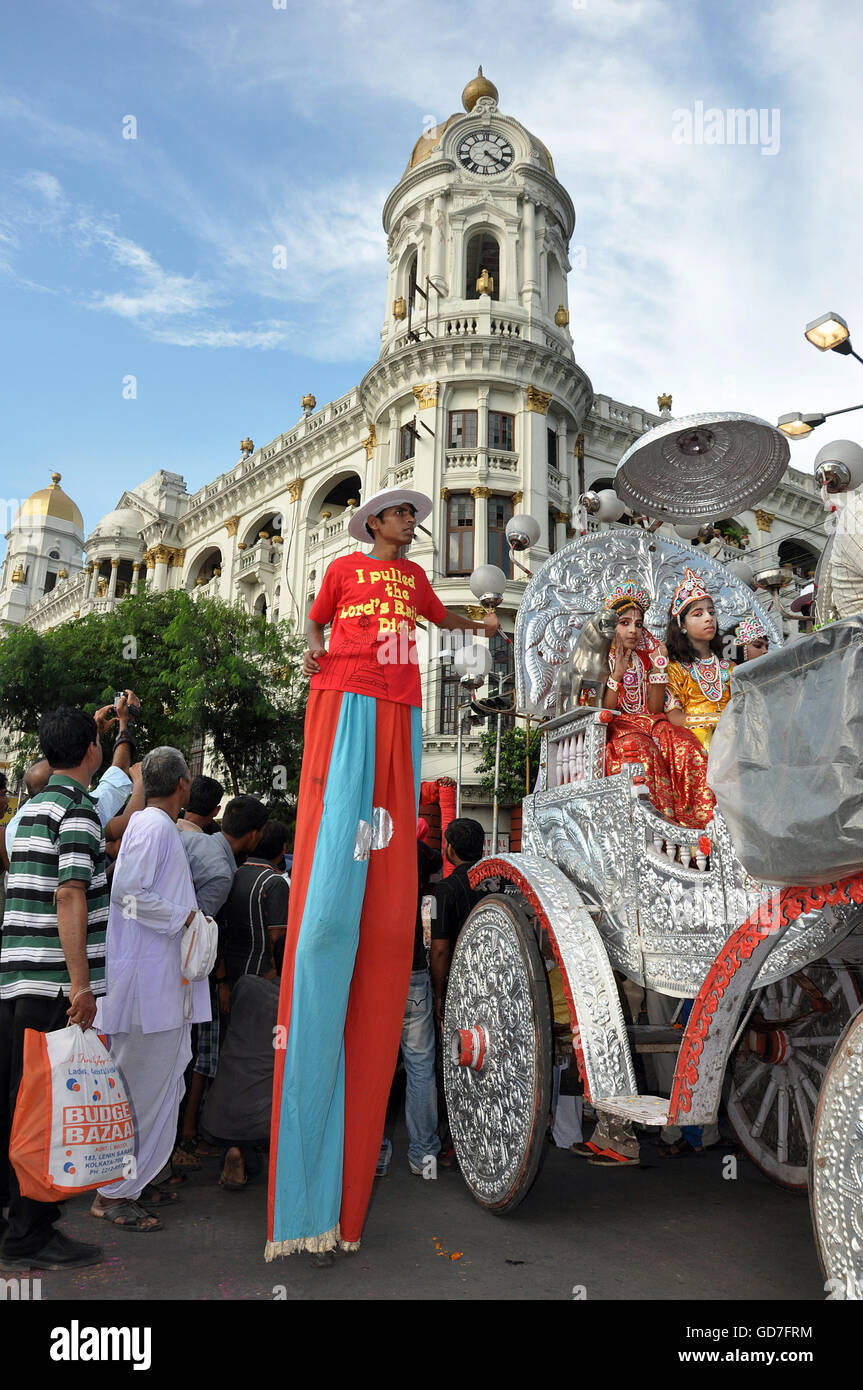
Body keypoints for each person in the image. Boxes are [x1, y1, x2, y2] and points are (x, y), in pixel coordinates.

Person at [267, 486, 500, 1261]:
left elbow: (443, 619)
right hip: (345, 692)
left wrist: (482, 621)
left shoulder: (415, 584)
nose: (411, 524)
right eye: (401, 516)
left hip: (398, 704)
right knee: (339, 833)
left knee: (387, 831)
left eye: (412, 518)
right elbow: (312, 619)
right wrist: (308, 649)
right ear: (374, 524)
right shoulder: (341, 571)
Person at [0, 707, 108, 1270]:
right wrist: (82, 988)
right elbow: (70, 895)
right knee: (40, 1109)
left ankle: (19, 1219)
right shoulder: (78, 810)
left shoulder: (31, 808)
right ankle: (30, 1231)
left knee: (15, 1103)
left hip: (17, 978)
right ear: (91, 749)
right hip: (51, 985)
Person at [90, 747, 212, 1233]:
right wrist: (183, 919)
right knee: (137, 1093)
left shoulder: (153, 826)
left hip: (160, 987)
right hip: (147, 990)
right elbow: (128, 895)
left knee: (162, 1088)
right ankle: (111, 1194)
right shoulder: (154, 825)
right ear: (182, 784)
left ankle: (134, 1181)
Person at [601, 581, 715, 829]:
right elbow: (606, 709)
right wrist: (616, 675)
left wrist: (659, 669)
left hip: (651, 723)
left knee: (686, 743)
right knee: (643, 750)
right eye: (625, 623)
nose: (633, 631)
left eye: (638, 624)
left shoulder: (646, 658)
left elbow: (654, 709)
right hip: (620, 728)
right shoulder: (601, 656)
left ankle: (702, 821)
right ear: (612, 625)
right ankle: (660, 828)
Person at [2, 694, 140, 866]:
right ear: (91, 751)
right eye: (95, 743)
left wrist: (92, 735)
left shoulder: (20, 820)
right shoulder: (79, 809)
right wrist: (125, 722)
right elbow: (118, 773)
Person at [200, 936, 286, 1192]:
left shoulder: (246, 986)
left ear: (272, 961)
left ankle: (235, 1152)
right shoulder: (299, 1004)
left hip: (216, 1120)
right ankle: (255, 1160)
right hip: (264, 1123)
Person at [664, 569, 735, 753]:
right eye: (698, 614)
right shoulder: (674, 669)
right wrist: (716, 722)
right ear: (682, 625)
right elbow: (675, 717)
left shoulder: (730, 669)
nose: (709, 618)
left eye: (711, 612)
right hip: (696, 743)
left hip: (733, 737)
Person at [222, 818, 289, 986]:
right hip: (262, 973)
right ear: (283, 848)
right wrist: (276, 971)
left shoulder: (236, 873)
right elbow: (277, 936)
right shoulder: (274, 881)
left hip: (232, 970)